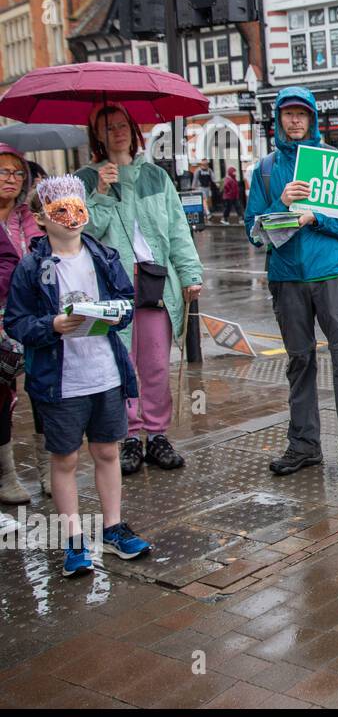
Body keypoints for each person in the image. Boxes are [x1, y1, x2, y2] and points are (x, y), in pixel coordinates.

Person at [4, 176, 152, 578]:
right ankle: (72, 540)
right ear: (40, 217)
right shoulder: (32, 268)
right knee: (65, 458)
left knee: (107, 451)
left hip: (105, 374)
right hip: (60, 382)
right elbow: (17, 321)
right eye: (59, 211)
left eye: (77, 208)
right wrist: (50, 325)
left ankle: (113, 527)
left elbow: (126, 301)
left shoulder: (103, 256)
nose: (71, 218)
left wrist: (114, 313)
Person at [244, 86, 338, 481]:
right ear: (279, 119)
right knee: (299, 363)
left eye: (302, 113)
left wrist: (315, 216)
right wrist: (281, 203)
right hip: (286, 280)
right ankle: (304, 445)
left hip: (334, 275)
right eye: (288, 114)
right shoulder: (265, 171)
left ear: (314, 118)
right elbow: (253, 233)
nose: (295, 120)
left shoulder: (334, 163)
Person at [75, 104, 203, 476]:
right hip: (112, 284)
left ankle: (157, 433)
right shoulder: (85, 179)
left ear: (133, 131)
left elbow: (178, 229)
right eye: (108, 127)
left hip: (156, 280)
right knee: (121, 364)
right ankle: (129, 435)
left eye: (122, 125)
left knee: (156, 363)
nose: (117, 132)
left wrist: (190, 272)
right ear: (97, 135)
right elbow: (83, 233)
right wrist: (98, 193)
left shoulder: (155, 177)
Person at [0, 145, 45, 506]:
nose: (11, 179)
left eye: (17, 173)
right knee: (3, 395)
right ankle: (7, 475)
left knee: (43, 385)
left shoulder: (28, 217)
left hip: (32, 313)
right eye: (3, 172)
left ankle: (49, 467)